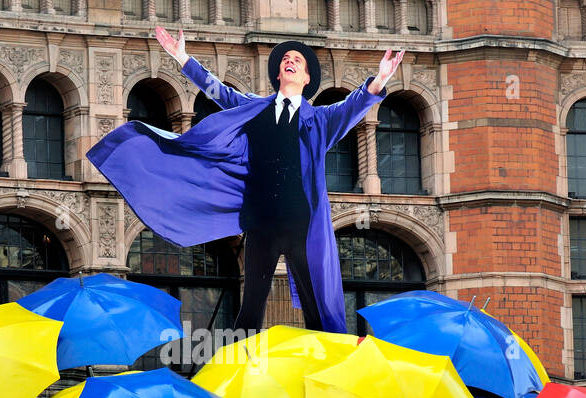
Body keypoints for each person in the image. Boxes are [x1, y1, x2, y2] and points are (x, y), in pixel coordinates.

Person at [86, 27, 404, 335]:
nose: (289, 61)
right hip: (261, 221)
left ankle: (328, 366)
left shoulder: (320, 120)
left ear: (306, 78)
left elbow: (353, 107)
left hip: (302, 224)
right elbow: (217, 91)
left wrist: (381, 79)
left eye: (297, 60)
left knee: (317, 307)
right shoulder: (253, 108)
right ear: (279, 73)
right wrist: (183, 59)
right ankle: (237, 370)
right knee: (250, 307)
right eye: (285, 59)